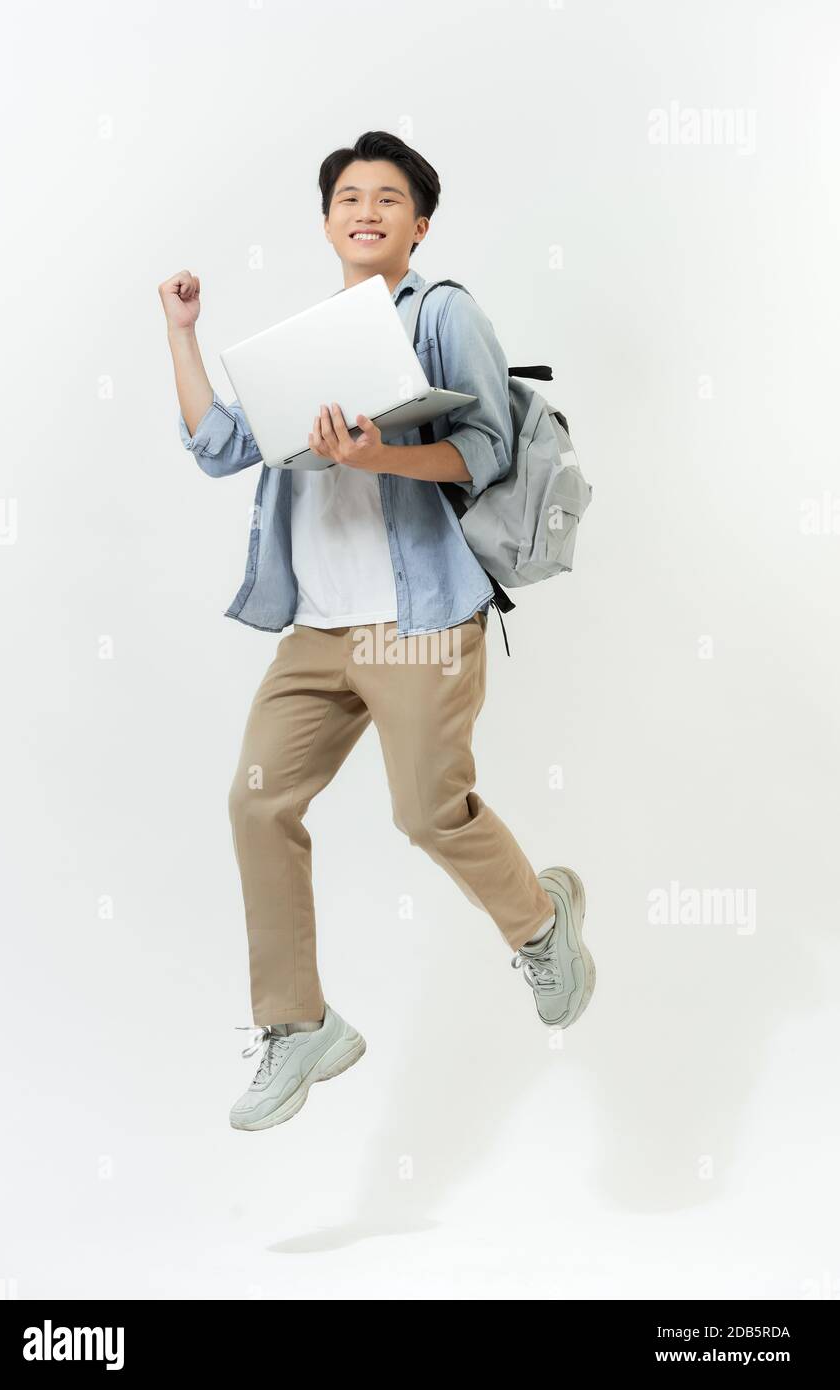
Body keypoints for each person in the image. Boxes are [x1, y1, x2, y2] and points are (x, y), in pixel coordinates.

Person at [159, 130, 595, 1133]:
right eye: (348, 196)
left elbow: (482, 451)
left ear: (419, 223)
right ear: (326, 221)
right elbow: (220, 444)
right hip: (314, 628)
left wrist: (374, 455)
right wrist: (183, 331)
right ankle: (298, 1022)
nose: (366, 209)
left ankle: (540, 920)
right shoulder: (307, 341)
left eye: (389, 198)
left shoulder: (443, 314)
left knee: (428, 812)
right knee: (256, 802)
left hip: (418, 618)